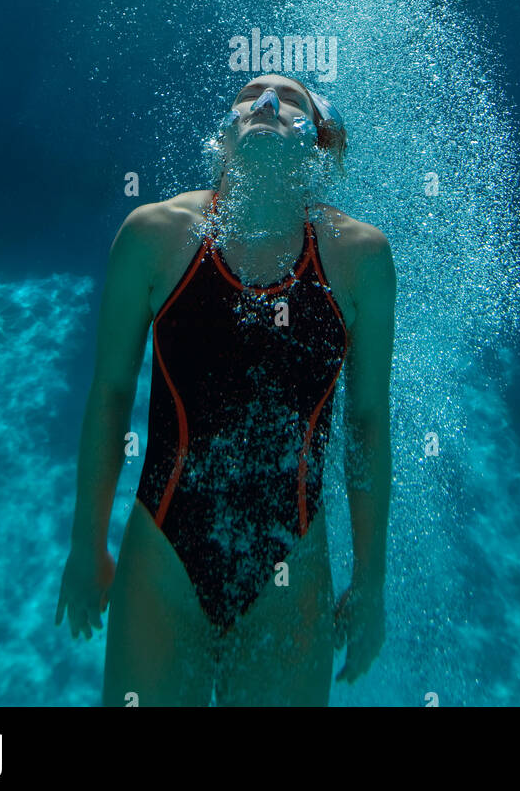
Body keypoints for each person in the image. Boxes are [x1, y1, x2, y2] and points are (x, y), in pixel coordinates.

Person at [55, 72, 395, 706]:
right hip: (162, 561)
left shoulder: (360, 259)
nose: (265, 101)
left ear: (322, 142)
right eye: (249, 95)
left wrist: (370, 582)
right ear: (224, 135)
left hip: (291, 576)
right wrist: (85, 546)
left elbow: (368, 420)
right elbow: (108, 394)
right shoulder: (155, 236)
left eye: (288, 97)